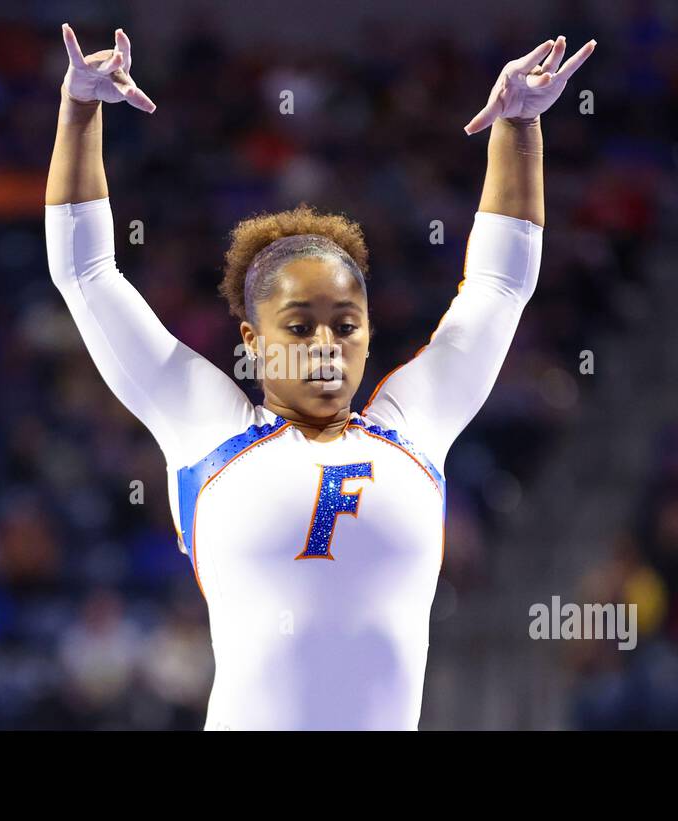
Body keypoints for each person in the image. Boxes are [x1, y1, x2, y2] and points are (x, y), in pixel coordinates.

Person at [45, 24, 594, 729]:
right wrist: (78, 110)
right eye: (300, 325)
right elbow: (88, 273)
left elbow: (499, 285)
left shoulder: (413, 427)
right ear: (253, 339)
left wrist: (518, 127)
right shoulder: (206, 432)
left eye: (346, 322)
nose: (327, 344)